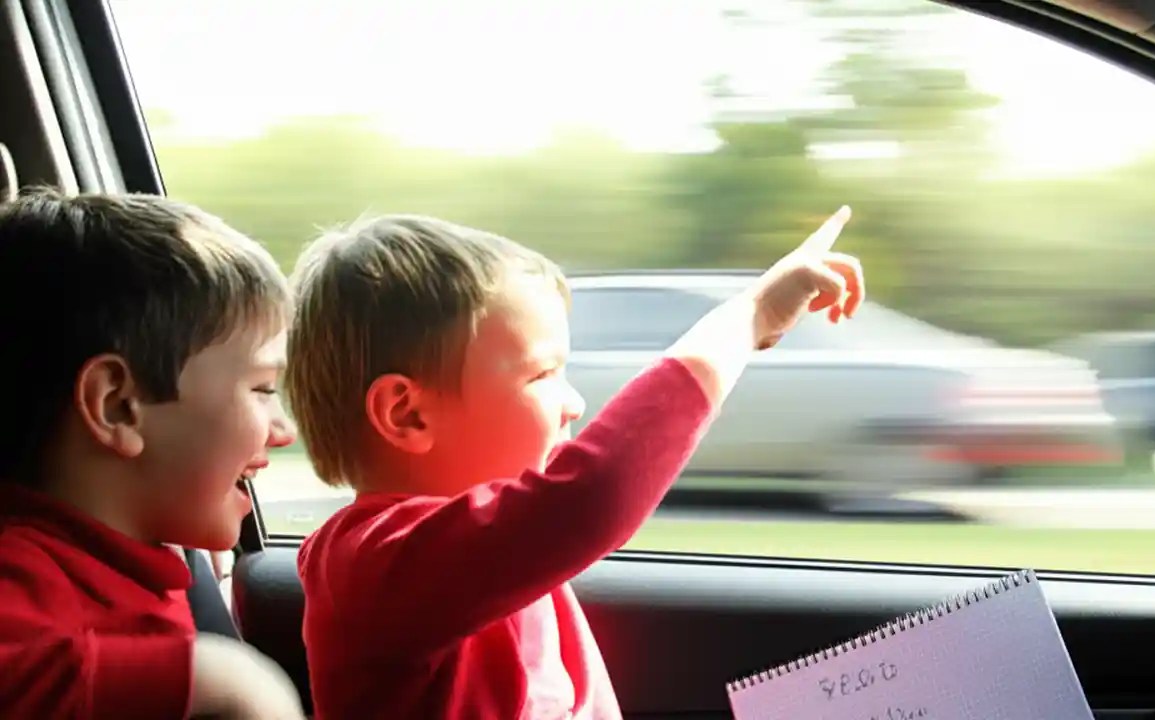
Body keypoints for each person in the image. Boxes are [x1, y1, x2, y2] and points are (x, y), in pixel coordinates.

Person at [287, 206, 863, 719]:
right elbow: (597, 489)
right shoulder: (370, 568)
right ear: (407, 414)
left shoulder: (496, 556)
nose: (574, 403)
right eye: (542, 375)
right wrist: (750, 317)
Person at [0, 188, 307, 719]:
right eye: (260, 388)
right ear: (117, 407)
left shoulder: (135, 559)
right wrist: (217, 681)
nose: (283, 431)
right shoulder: (23, 573)